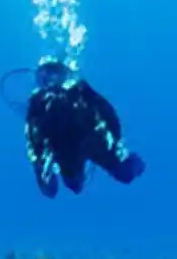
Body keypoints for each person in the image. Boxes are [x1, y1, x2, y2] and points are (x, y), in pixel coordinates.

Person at [24, 56, 145, 198]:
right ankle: (130, 165)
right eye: (46, 75)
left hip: (90, 137)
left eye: (55, 72)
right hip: (67, 146)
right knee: (74, 185)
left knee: (124, 175)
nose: (51, 78)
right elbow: (32, 135)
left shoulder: (78, 89)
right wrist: (39, 165)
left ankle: (132, 164)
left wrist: (116, 139)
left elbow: (105, 110)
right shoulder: (37, 103)